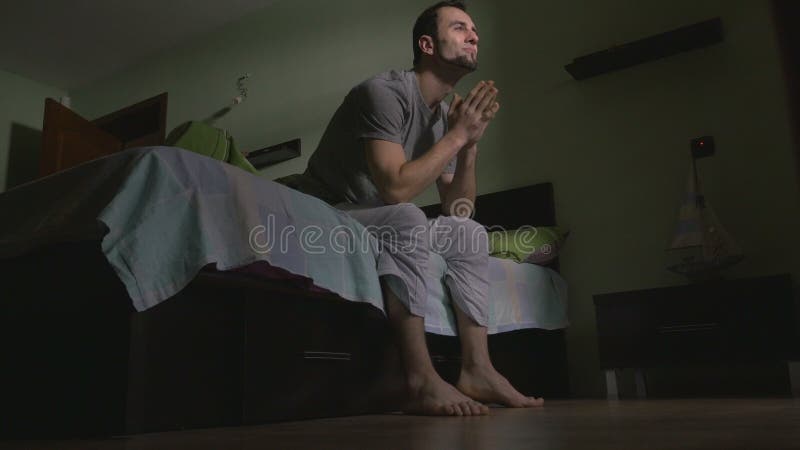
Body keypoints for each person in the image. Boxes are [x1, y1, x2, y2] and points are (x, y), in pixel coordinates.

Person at [298, 1, 543, 416]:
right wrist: (458, 135)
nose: (474, 35)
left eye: (475, 29)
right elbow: (395, 189)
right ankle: (420, 378)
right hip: (325, 210)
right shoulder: (383, 93)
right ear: (427, 44)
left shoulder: (445, 118)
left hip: (372, 215)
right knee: (407, 215)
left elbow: (458, 210)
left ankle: (478, 369)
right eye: (461, 27)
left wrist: (469, 145)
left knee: (470, 233)